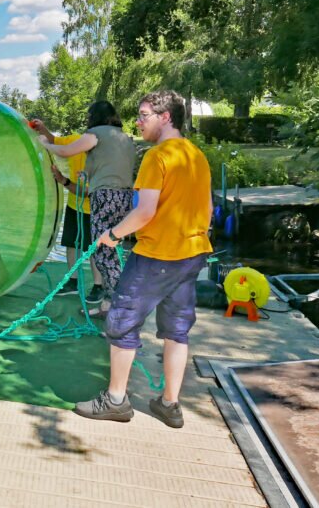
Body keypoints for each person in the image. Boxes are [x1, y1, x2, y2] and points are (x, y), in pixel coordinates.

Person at [74, 90, 212, 429]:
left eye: (144, 115)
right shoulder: (196, 155)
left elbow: (145, 212)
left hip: (156, 256)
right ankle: (170, 404)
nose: (138, 121)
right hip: (193, 255)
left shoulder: (156, 156)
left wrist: (113, 234)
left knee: (121, 320)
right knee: (177, 330)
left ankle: (116, 401)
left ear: (165, 117)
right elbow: (207, 210)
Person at [36, 101, 136, 314]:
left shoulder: (96, 134)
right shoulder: (123, 137)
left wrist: (45, 144)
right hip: (123, 198)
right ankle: (110, 304)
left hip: (106, 198)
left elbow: (65, 151)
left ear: (95, 117)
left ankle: (118, 308)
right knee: (107, 251)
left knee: (102, 252)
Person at [28, 118, 94, 296]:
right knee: (71, 244)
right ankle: (72, 282)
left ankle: (99, 286)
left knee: (95, 248)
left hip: (95, 208)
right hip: (74, 206)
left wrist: (63, 180)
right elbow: (54, 141)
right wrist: (43, 129)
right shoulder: (75, 140)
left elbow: (87, 192)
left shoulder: (103, 155)